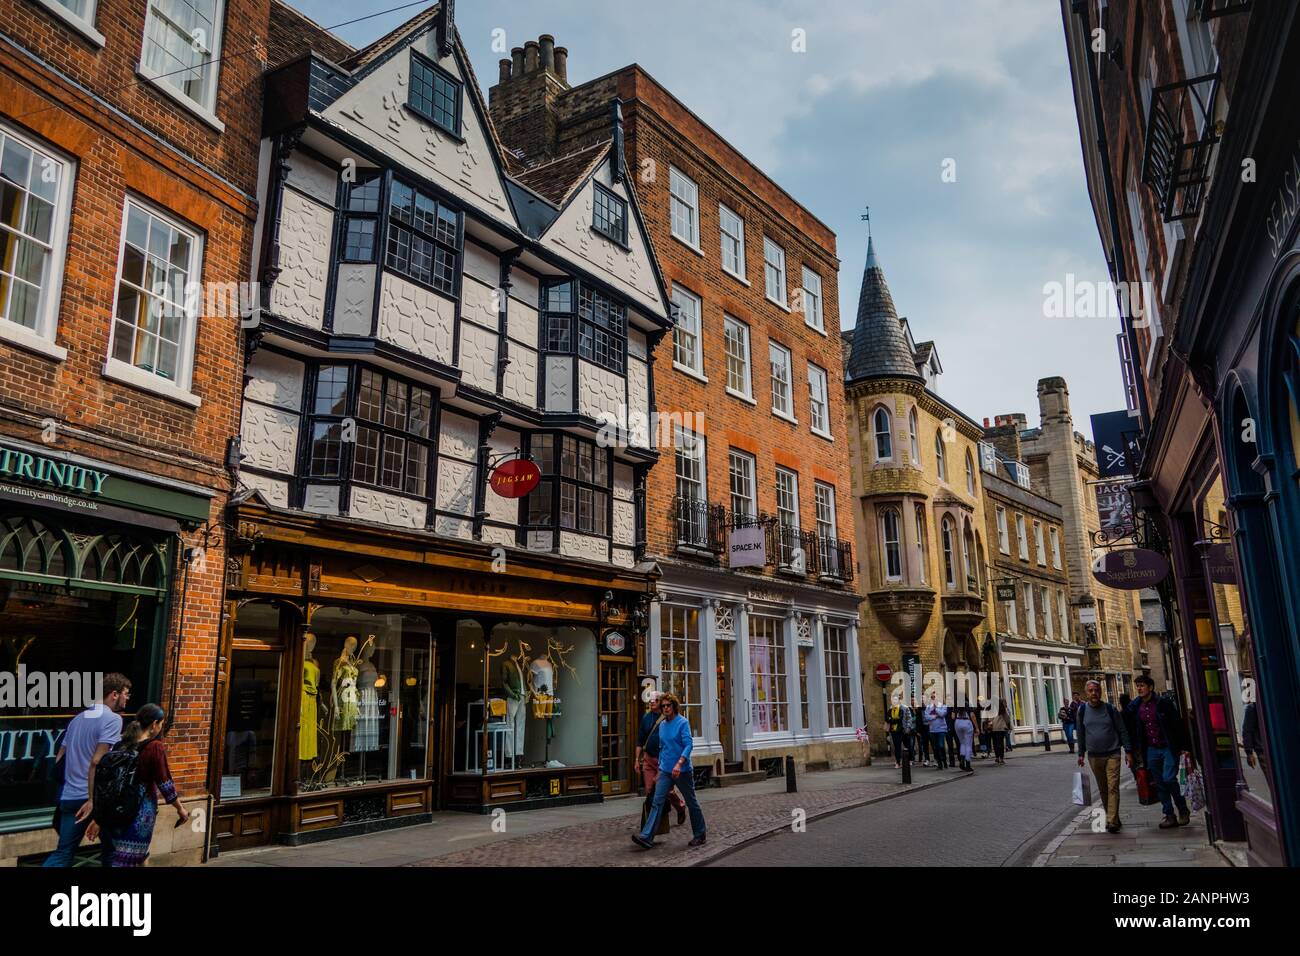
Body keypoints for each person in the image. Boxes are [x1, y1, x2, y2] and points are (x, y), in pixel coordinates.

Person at [43, 673, 132, 867]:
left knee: (63, 853)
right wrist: (92, 800)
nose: (128, 698)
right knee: (115, 854)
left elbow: (60, 758)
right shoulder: (113, 719)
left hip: (70, 796)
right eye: (126, 693)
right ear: (114, 694)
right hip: (94, 798)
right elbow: (97, 761)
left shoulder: (77, 719)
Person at [97, 703, 190, 866]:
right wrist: (181, 809)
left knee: (125, 857)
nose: (161, 728)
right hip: (139, 812)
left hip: (113, 812)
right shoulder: (154, 747)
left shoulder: (121, 744)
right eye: (161, 724)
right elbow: (165, 783)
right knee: (129, 860)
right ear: (154, 724)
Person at [631, 694, 706, 849]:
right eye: (663, 706)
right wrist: (660, 769)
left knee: (692, 803)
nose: (665, 708)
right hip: (665, 770)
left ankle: (700, 834)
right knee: (657, 802)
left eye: (668, 705)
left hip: (682, 770)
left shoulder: (682, 723)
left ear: (674, 706)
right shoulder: (663, 725)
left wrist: (679, 764)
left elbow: (688, 745)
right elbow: (663, 748)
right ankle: (647, 837)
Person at [1127, 675, 1191, 829]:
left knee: (1169, 778)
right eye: (1138, 686)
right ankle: (1169, 815)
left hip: (1167, 746)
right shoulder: (1136, 707)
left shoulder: (1163, 703)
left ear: (1150, 687)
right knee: (1159, 783)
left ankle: (1182, 809)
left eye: (1142, 685)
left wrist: (1185, 747)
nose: (1140, 689)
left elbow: (1177, 725)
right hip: (1151, 749)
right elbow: (1132, 728)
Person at [1075, 679, 1131, 833]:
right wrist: (1081, 753)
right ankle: (1113, 817)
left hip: (1112, 753)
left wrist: (1128, 750)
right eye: (1091, 691)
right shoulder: (1082, 711)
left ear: (1101, 692)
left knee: (1112, 786)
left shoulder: (1110, 709)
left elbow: (1122, 730)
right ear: (1086, 693)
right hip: (1094, 756)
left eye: (1097, 690)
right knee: (1103, 788)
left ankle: (1111, 821)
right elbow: (1080, 733)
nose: (1094, 693)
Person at [635, 692, 686, 826]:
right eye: (650, 700)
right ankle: (654, 825)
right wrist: (636, 759)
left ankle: (680, 806)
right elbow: (640, 740)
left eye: (655, 700)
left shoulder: (666, 719)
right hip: (648, 758)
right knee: (649, 790)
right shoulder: (646, 718)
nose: (652, 702)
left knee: (665, 790)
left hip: (663, 760)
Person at [886, 700, 914, 768]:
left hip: (904, 730)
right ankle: (898, 762)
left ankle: (910, 759)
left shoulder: (905, 708)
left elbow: (909, 719)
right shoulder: (890, 709)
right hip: (895, 731)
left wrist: (908, 729)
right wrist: (893, 720)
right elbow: (887, 719)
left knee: (907, 746)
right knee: (897, 747)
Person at [924, 695, 949, 770]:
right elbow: (926, 717)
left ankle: (944, 761)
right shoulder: (928, 707)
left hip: (941, 729)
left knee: (941, 746)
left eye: (934, 697)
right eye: (932, 697)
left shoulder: (943, 706)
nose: (933, 699)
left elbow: (942, 714)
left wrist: (936, 708)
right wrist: (935, 716)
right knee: (935, 747)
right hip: (932, 730)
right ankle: (939, 764)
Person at [953, 707, 976, 773]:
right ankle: (968, 764)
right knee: (968, 744)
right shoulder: (968, 704)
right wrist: (977, 727)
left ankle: (962, 760)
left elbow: (953, 716)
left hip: (957, 723)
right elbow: (972, 716)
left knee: (962, 743)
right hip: (966, 722)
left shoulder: (956, 706)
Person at [990, 699, 1011, 764]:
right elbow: (1007, 719)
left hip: (994, 729)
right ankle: (1001, 758)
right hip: (1001, 729)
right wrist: (1009, 727)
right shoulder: (1003, 710)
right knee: (1000, 743)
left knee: (995, 743)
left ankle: (997, 757)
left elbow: (989, 719)